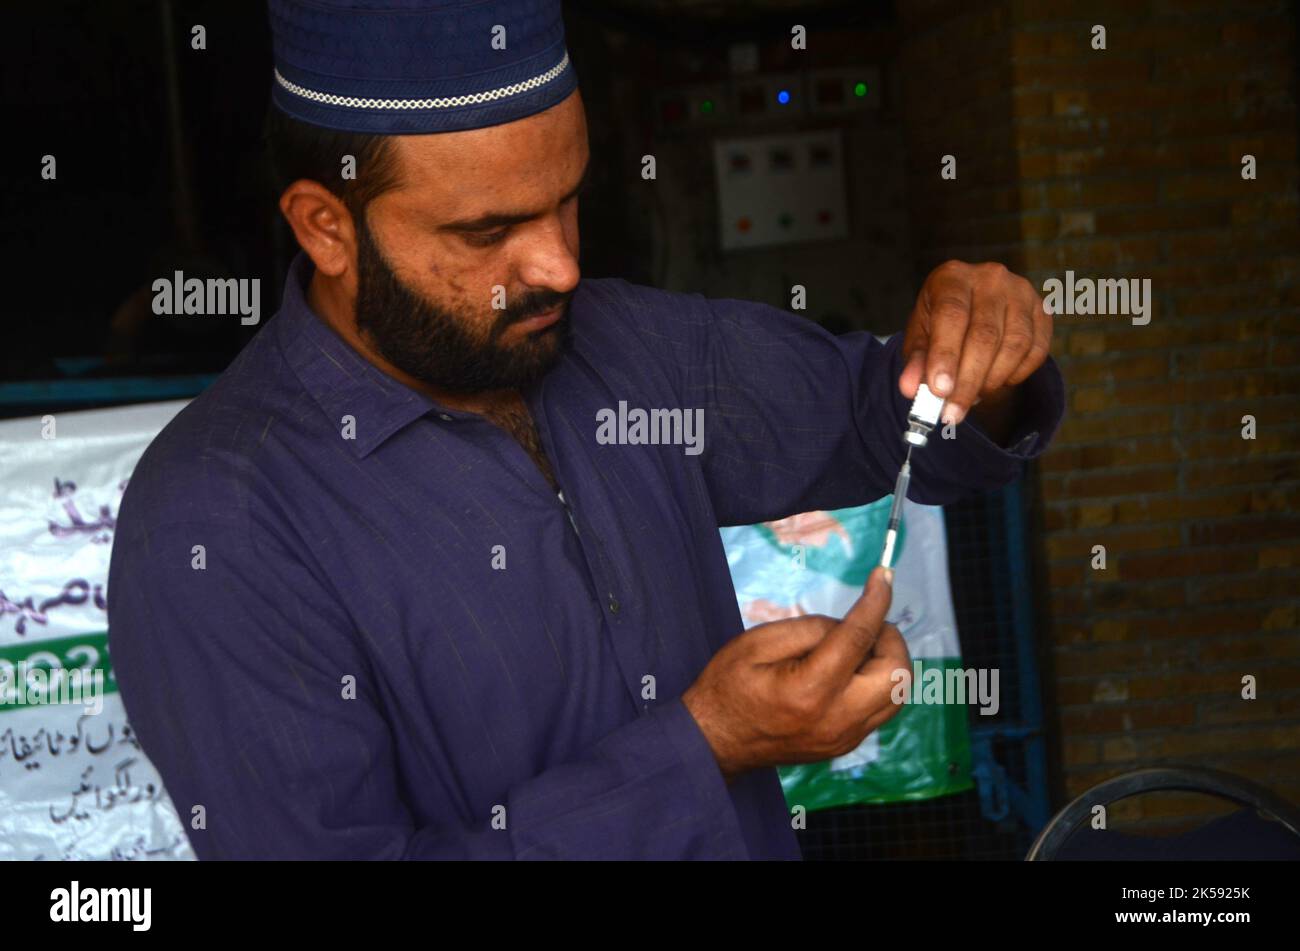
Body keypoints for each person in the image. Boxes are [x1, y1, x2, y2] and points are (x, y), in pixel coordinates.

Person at [107, 0, 1066, 859]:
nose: (560, 266)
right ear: (326, 226)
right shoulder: (216, 520)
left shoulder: (629, 346)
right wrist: (703, 748)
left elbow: (878, 412)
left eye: (570, 199)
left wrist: (978, 352)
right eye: (489, 232)